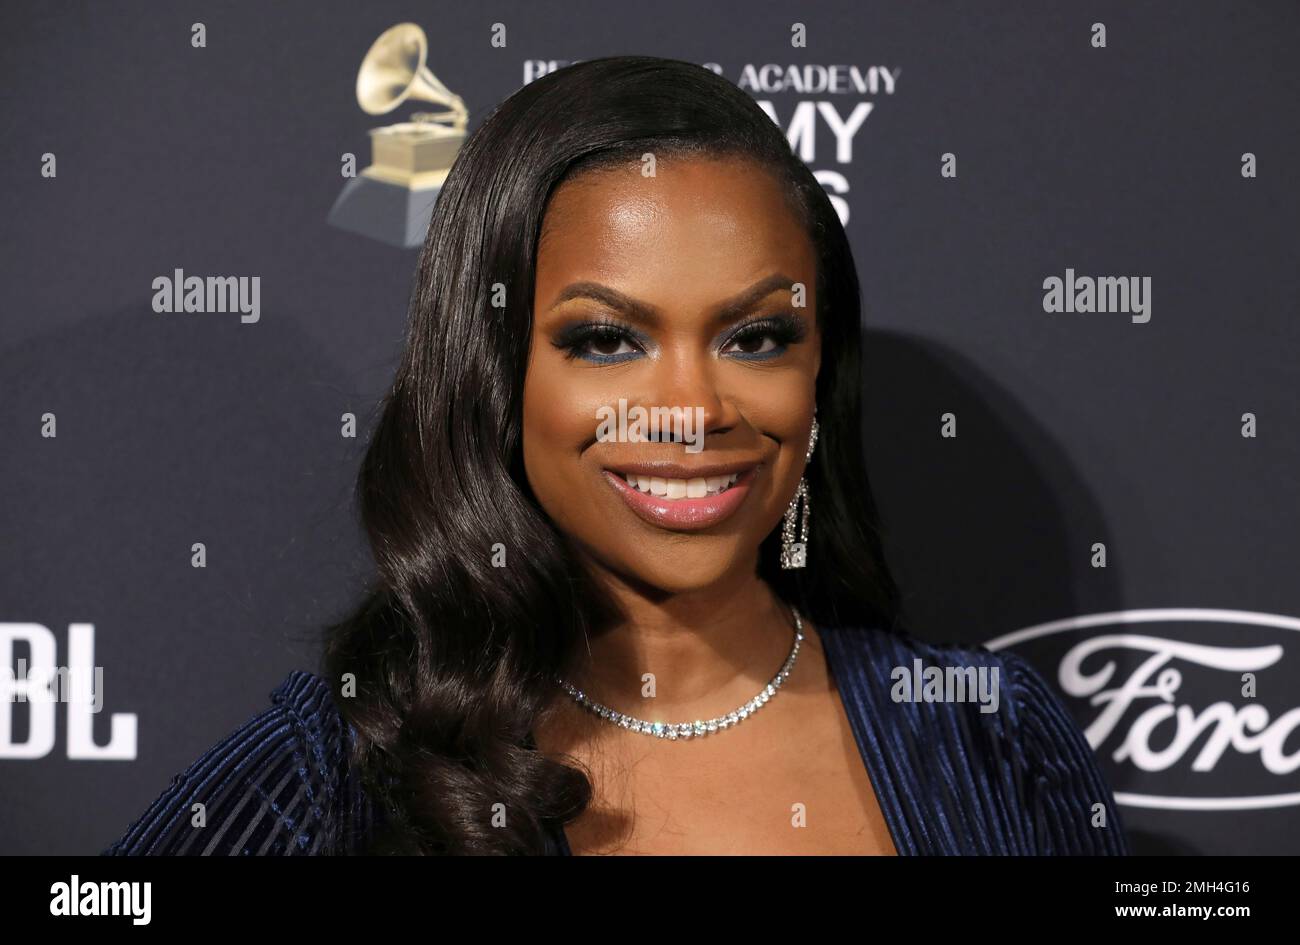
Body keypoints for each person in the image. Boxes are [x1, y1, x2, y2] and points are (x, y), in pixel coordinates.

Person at [102, 55, 1128, 856]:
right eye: (605, 340)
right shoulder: (342, 766)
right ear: (496, 372)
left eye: (755, 337)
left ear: (819, 368)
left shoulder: (992, 737)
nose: (688, 409)